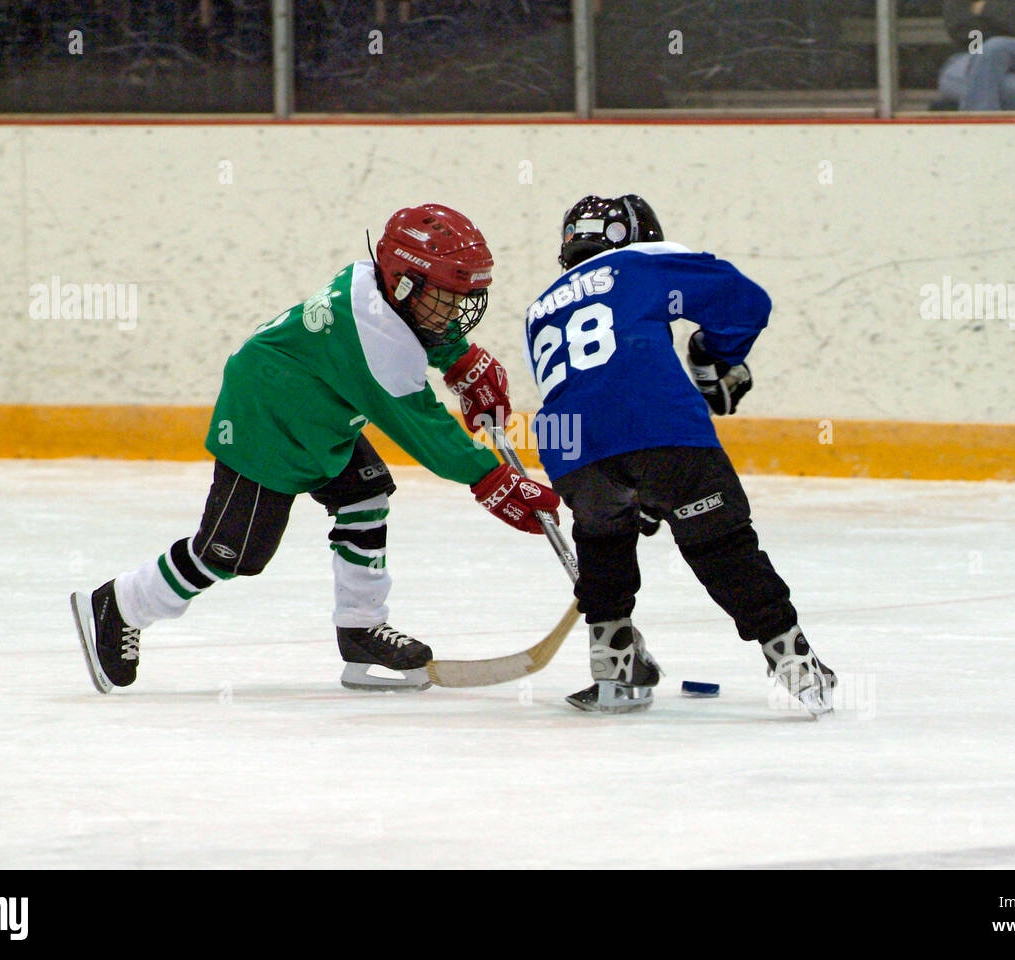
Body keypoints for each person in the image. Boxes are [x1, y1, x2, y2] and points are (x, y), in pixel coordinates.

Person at [72, 203, 559, 694]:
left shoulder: (380, 289)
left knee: (365, 498)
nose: (455, 312)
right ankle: (124, 602)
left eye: (461, 299)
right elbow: (423, 427)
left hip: (321, 411)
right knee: (230, 552)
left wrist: (463, 362)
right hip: (266, 417)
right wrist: (490, 478)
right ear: (404, 281)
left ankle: (360, 627)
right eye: (446, 299)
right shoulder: (374, 340)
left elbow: (418, 328)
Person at [522, 195, 836, 715]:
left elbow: (597, 385)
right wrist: (714, 355)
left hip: (570, 446)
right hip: (659, 424)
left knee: (604, 541)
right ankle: (792, 660)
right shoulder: (641, 262)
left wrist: (638, 489)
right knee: (721, 544)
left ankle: (614, 662)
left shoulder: (541, 306)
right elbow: (746, 301)